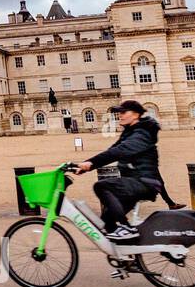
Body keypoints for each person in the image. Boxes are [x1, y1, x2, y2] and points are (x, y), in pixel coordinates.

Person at [74, 101, 172, 243]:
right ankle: (128, 261)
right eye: (119, 112)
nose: (120, 115)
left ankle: (127, 229)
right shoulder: (129, 132)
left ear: (136, 115)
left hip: (145, 182)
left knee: (101, 186)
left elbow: (119, 151)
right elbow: (111, 151)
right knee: (107, 222)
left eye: (124, 112)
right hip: (134, 182)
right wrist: (84, 166)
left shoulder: (142, 133)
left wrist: (91, 163)